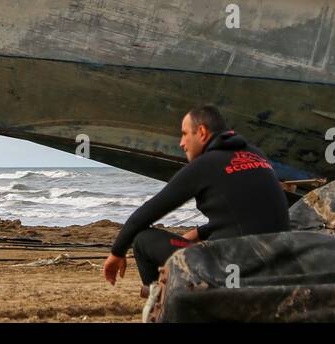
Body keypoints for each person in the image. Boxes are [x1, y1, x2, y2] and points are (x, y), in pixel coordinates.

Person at [102, 105, 289, 296]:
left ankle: (161, 307)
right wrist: (200, 232)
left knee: (143, 240)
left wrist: (117, 252)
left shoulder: (205, 165)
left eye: (184, 134)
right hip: (274, 262)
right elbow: (248, 214)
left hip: (230, 267)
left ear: (201, 132)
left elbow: (146, 214)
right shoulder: (257, 155)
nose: (182, 143)